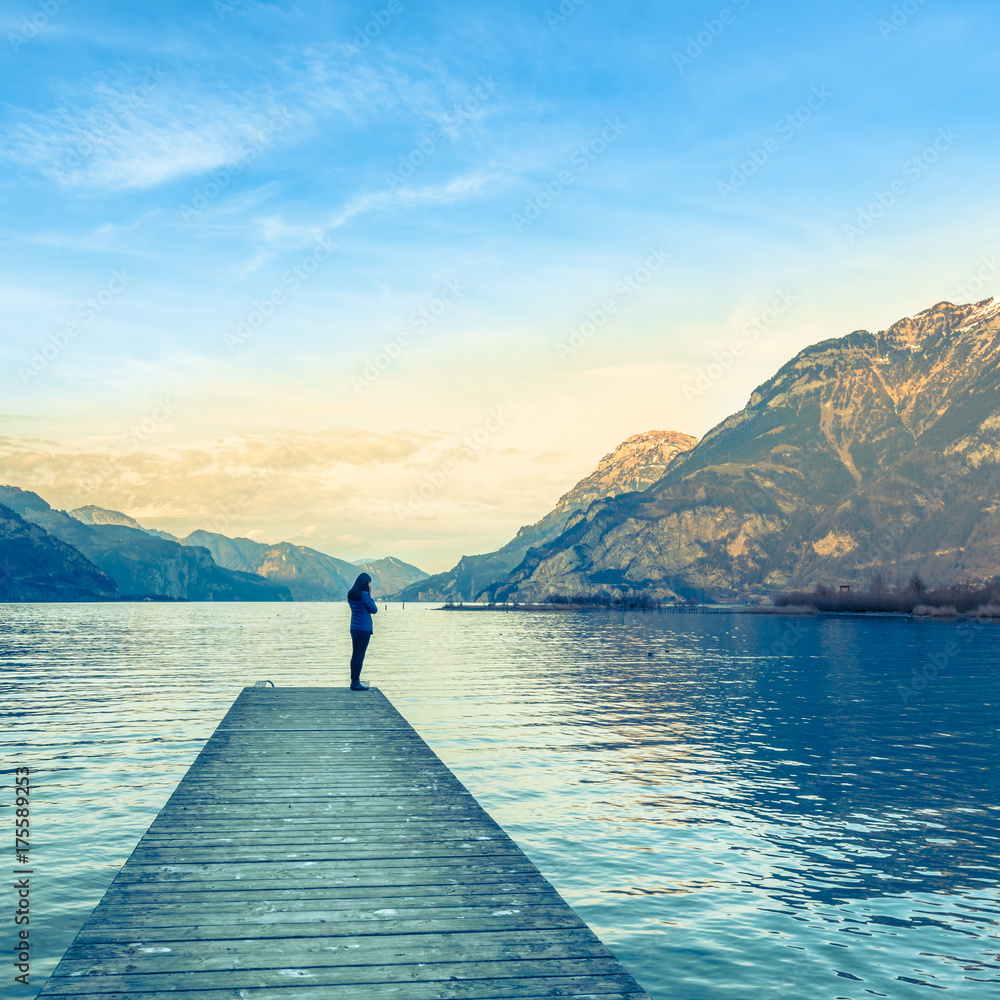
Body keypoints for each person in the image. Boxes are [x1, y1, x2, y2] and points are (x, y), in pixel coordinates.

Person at [347, 572, 378, 690]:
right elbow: (374, 610)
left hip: (354, 628)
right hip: (364, 629)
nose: (369, 585)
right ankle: (356, 683)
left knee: (355, 655)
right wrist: (370, 595)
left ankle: (353, 681)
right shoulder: (364, 594)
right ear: (365, 583)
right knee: (360, 656)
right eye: (369, 583)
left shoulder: (351, 593)